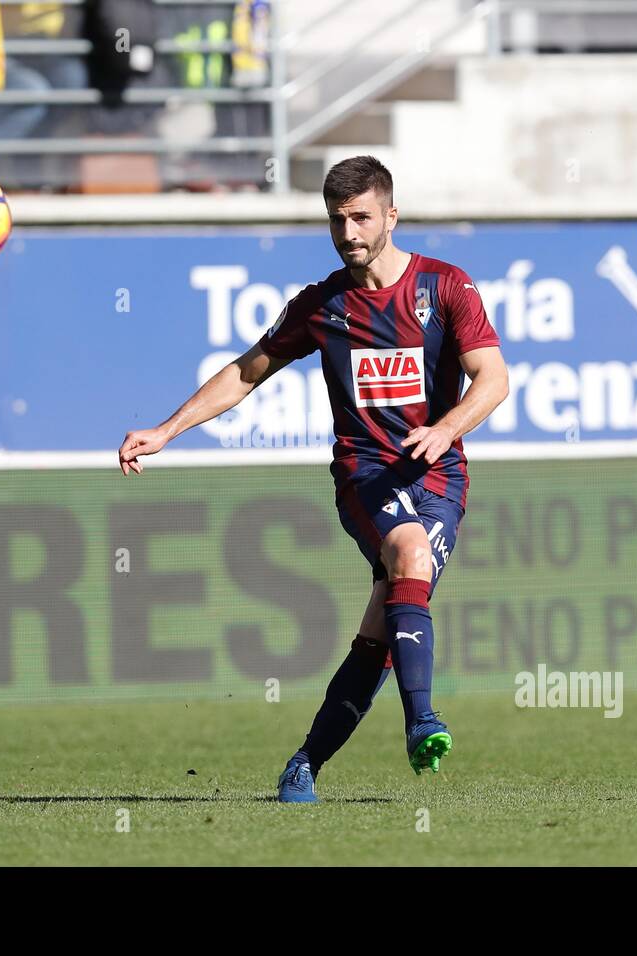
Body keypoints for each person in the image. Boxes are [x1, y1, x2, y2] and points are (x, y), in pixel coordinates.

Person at [117, 155, 511, 802]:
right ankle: (422, 723)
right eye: (337, 220)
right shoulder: (321, 304)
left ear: (391, 215)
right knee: (408, 555)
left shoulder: (447, 288)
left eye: (361, 217)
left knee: (383, 632)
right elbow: (246, 372)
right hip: (365, 478)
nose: (349, 232)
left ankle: (304, 765)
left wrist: (445, 429)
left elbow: (492, 378)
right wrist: (166, 430)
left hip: (441, 483)